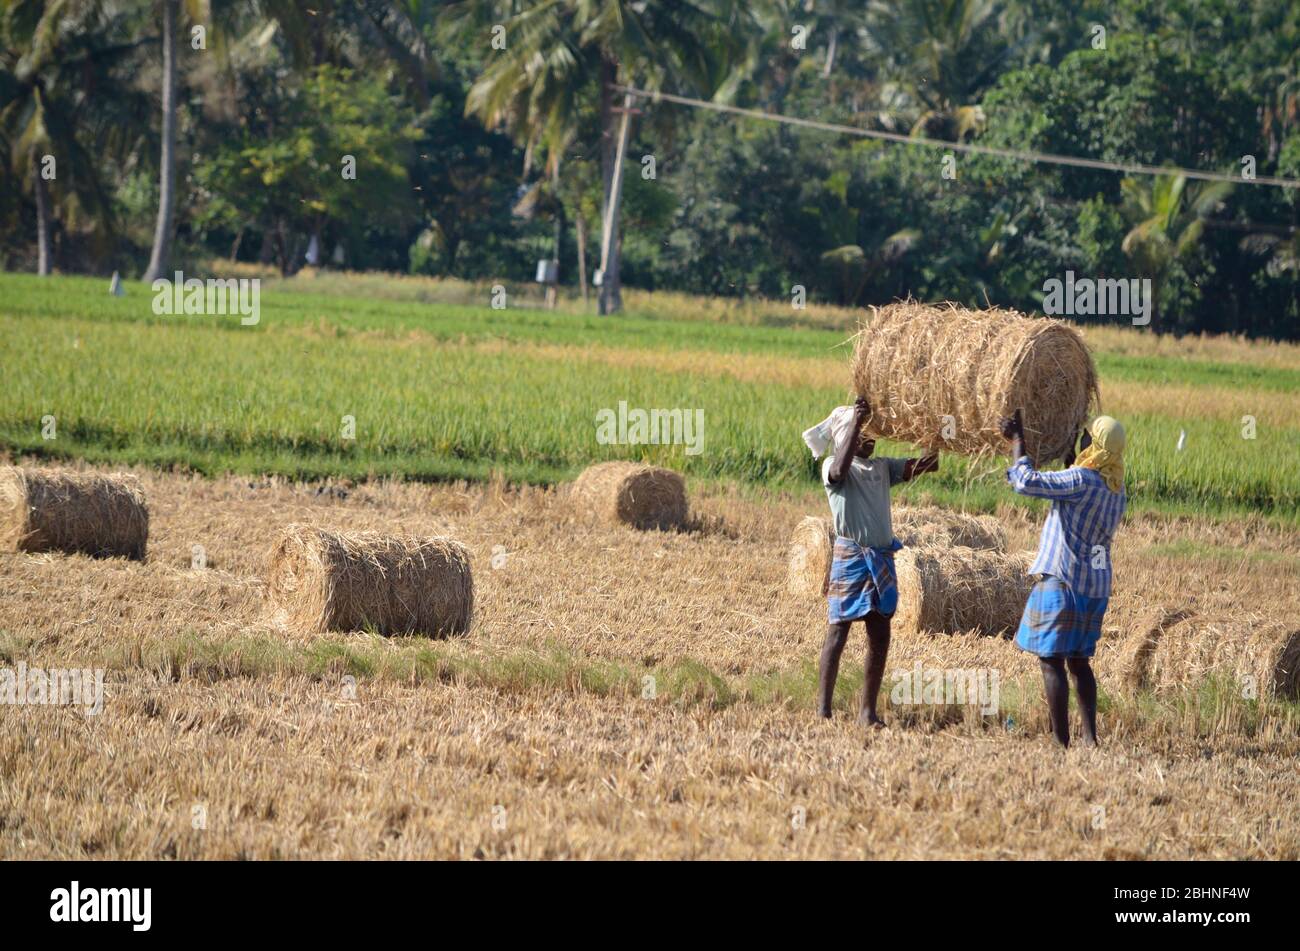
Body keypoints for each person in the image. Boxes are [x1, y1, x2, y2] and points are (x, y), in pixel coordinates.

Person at [803, 397, 939, 726]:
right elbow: (838, 469)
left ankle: (868, 711)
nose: (871, 438)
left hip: (880, 559)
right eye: (863, 432)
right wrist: (855, 423)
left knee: (880, 634)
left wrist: (932, 433)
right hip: (850, 557)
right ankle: (823, 710)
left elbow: (927, 465)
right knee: (838, 631)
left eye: (872, 431)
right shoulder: (833, 468)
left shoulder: (882, 468)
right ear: (846, 436)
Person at [999, 410, 1127, 748]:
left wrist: (1017, 441)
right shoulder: (1116, 489)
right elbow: (1076, 481)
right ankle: (1090, 737)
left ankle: (1060, 741)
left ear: (1096, 445)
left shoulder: (1081, 481)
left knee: (1051, 659)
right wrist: (1071, 452)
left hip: (1064, 580)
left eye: (1088, 437)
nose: (1083, 439)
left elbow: (1027, 482)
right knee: (1079, 662)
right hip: (1094, 588)